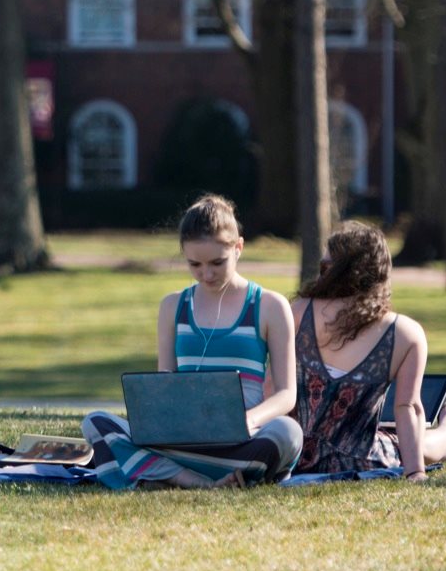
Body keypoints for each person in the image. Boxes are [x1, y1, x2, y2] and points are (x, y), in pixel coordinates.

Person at [82, 195, 304, 489]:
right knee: (95, 422)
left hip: (242, 441)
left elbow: (287, 394)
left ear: (238, 247)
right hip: (181, 441)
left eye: (217, 262)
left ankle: (157, 475)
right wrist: (156, 422)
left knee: (288, 433)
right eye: (194, 264)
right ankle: (194, 480)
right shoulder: (173, 306)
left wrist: (248, 420)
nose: (206, 274)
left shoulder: (269, 306)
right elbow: (165, 381)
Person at [294, 221, 446, 480]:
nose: (320, 276)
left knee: (406, 443)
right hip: (363, 459)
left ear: (336, 272)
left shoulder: (296, 313)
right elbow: (408, 408)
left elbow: (276, 393)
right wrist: (415, 472)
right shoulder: (405, 332)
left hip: (298, 458)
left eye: (325, 268)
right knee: (410, 445)